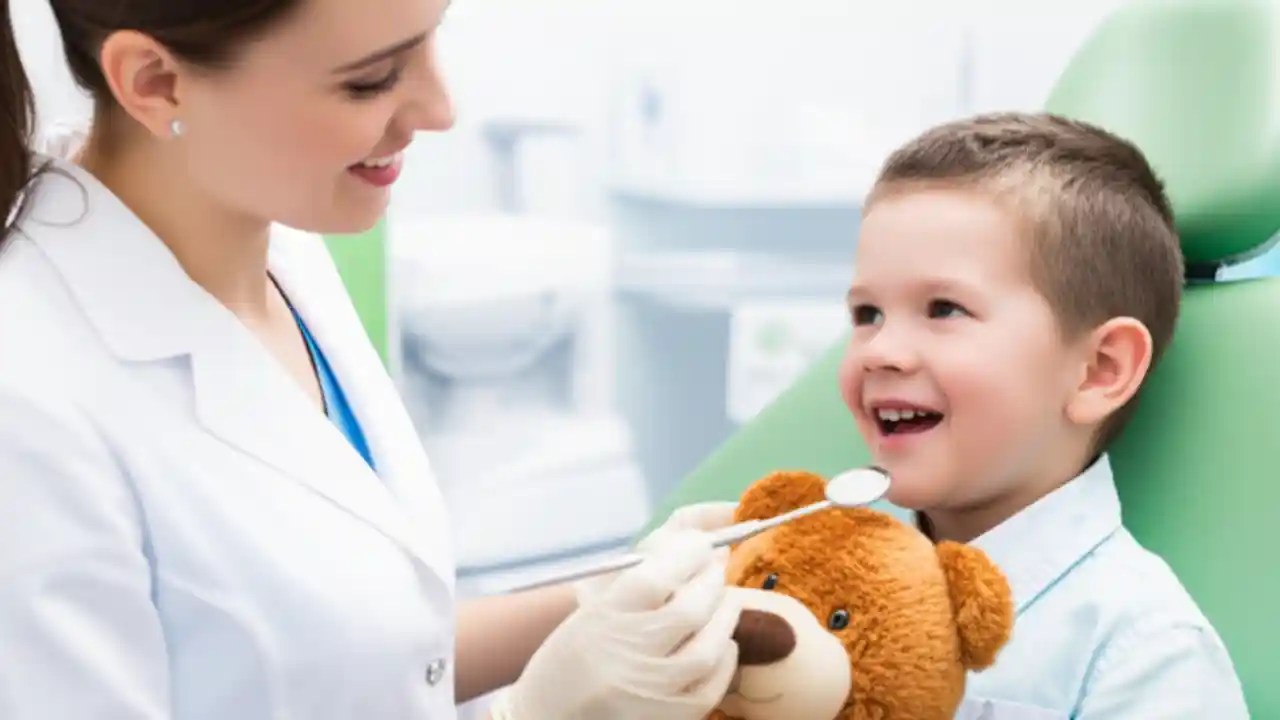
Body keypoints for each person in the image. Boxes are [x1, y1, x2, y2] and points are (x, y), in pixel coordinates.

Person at [0, 1, 741, 718]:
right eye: (371, 79)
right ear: (156, 82)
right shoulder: (29, 406)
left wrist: (639, 592)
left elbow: (356, 656)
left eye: (432, 37)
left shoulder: (279, 246)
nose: (441, 108)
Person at [838, 112, 1249, 717]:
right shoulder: (820, 584)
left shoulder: (1143, 653)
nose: (881, 351)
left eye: (944, 308)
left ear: (1099, 370)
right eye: (866, 314)